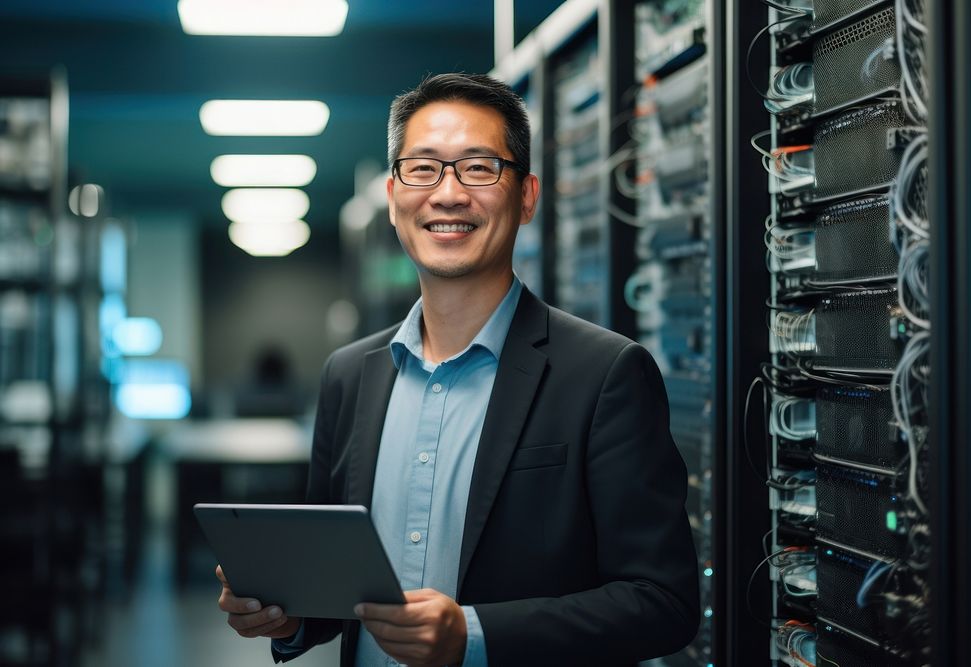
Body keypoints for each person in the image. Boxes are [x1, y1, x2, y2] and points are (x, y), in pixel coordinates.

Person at [216, 72, 699, 667]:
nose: (447, 194)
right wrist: (288, 615)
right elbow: (341, 593)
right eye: (423, 168)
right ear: (394, 197)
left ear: (526, 196)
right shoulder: (349, 375)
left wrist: (471, 635)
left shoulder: (606, 374)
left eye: (479, 167)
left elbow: (662, 602)